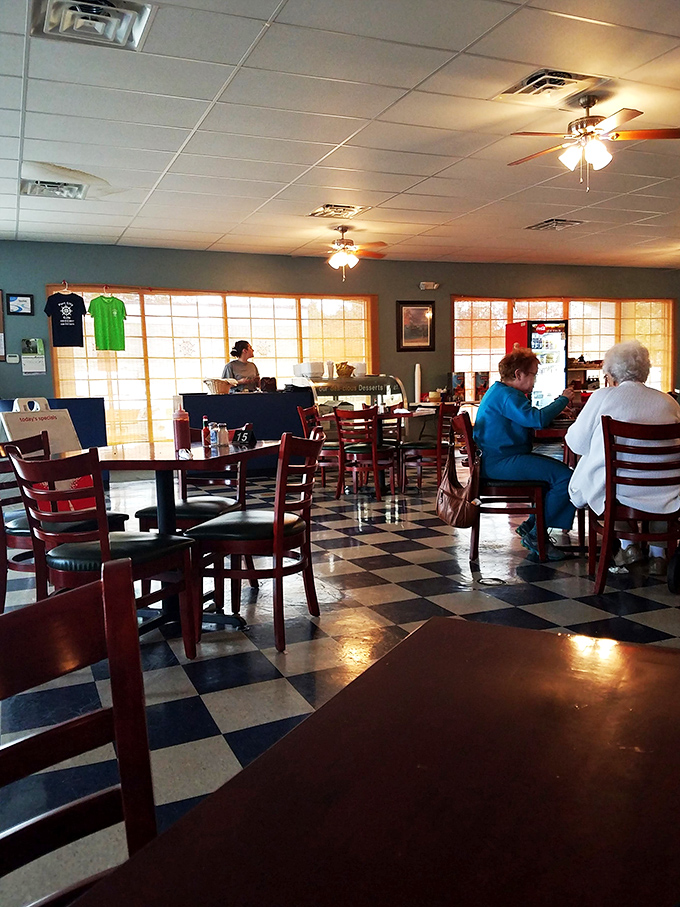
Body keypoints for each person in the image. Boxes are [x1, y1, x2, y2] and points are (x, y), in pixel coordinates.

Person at [565, 340, 680, 575]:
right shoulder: (668, 401)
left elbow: (576, 443)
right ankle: (658, 556)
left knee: (595, 476)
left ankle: (629, 547)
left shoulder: (603, 397)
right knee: (662, 491)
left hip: (619, 493)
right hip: (667, 491)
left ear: (611, 373)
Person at [473, 347, 575, 560]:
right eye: (533, 374)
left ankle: (531, 526)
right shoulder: (508, 395)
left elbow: (529, 416)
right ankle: (536, 534)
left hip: (494, 459)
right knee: (565, 478)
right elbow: (536, 420)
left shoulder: (500, 392)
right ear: (518, 374)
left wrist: (553, 410)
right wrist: (562, 400)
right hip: (501, 462)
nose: (535, 380)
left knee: (554, 477)